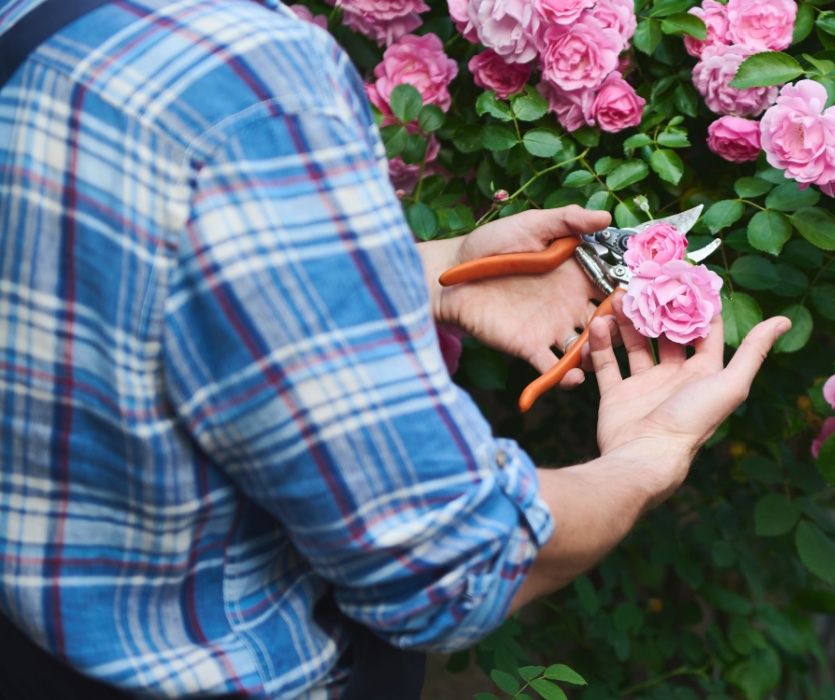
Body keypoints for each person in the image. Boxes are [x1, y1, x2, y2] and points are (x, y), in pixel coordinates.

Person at [0, 0, 790, 696]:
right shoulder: (246, 82)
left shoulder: (42, 31)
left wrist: (438, 270)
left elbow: (119, 276)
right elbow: (445, 564)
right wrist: (645, 459)